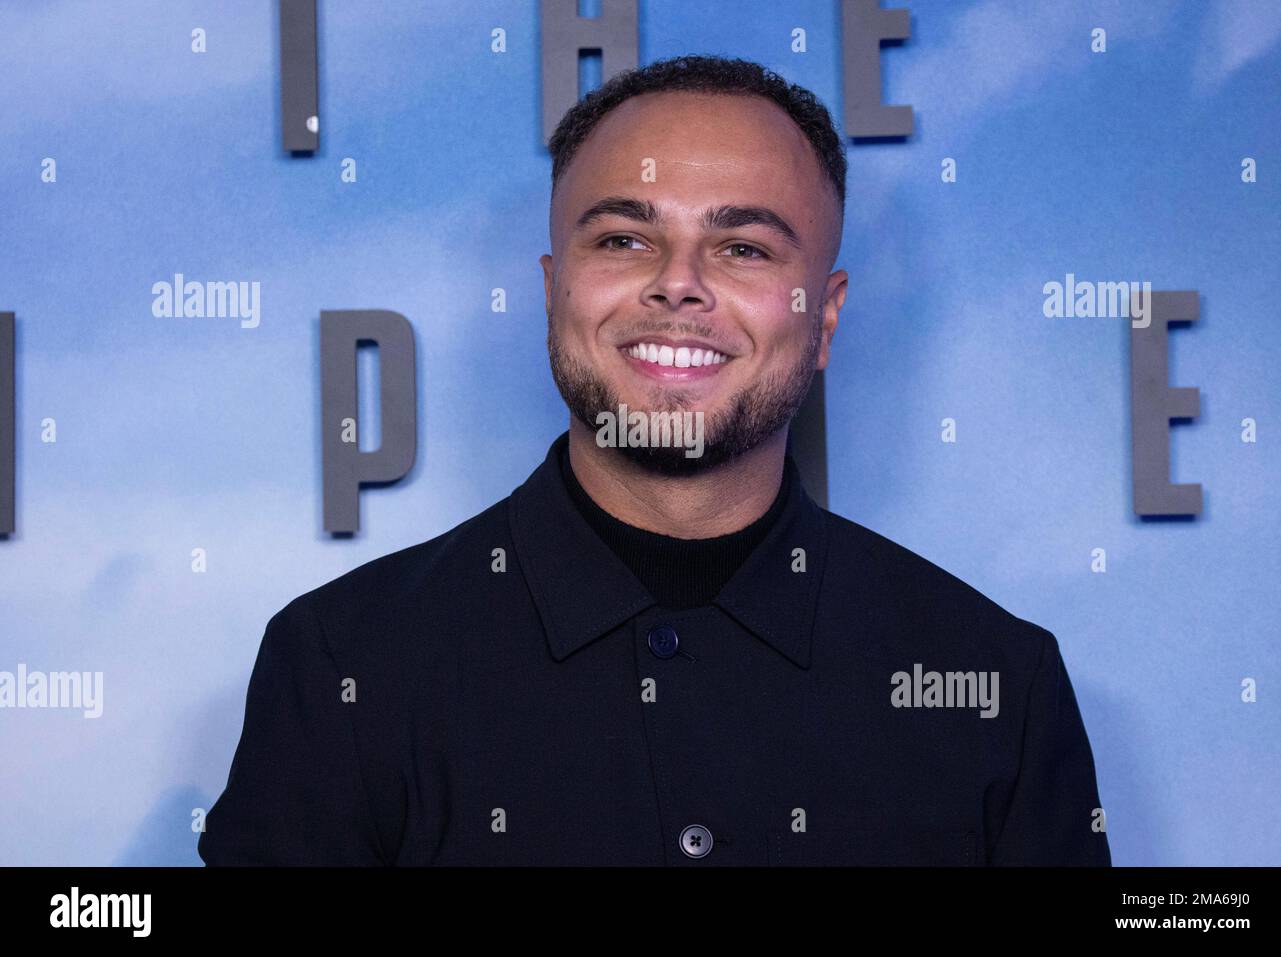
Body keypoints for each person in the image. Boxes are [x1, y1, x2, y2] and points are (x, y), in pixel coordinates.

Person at [198, 55, 1111, 866]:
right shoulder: (341, 665)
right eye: (624, 239)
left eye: (743, 247)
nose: (678, 283)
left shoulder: (999, 687)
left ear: (825, 318)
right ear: (555, 291)